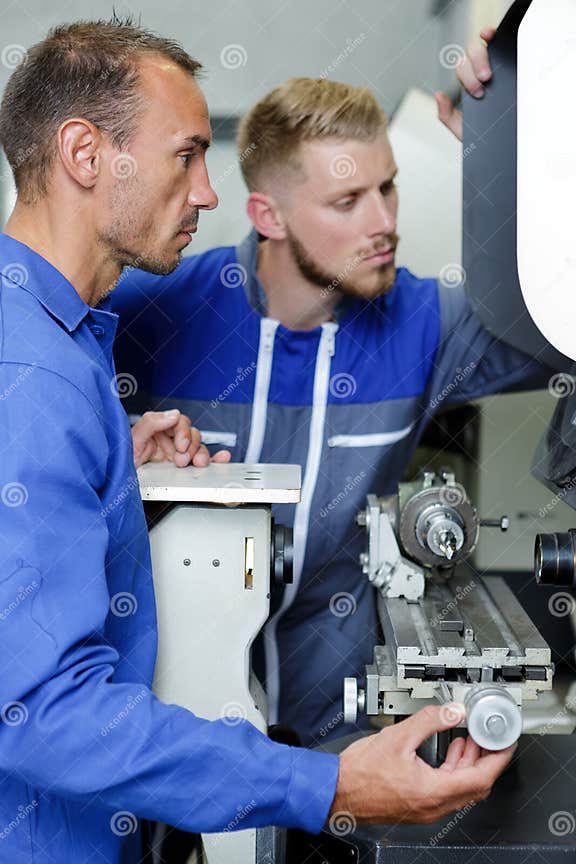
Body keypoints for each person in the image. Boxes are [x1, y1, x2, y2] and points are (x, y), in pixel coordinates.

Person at [0, 18, 515, 864]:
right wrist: (327, 785)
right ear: (84, 154)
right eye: (186, 154)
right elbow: (42, 710)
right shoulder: (46, 367)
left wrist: (518, 153)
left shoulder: (66, 349)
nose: (208, 193)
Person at [111, 30, 552, 748]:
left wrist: (523, 159)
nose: (384, 223)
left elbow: (562, 321)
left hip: (335, 718)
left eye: (388, 188)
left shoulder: (421, 324)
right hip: (169, 712)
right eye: (348, 200)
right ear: (268, 217)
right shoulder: (159, 310)